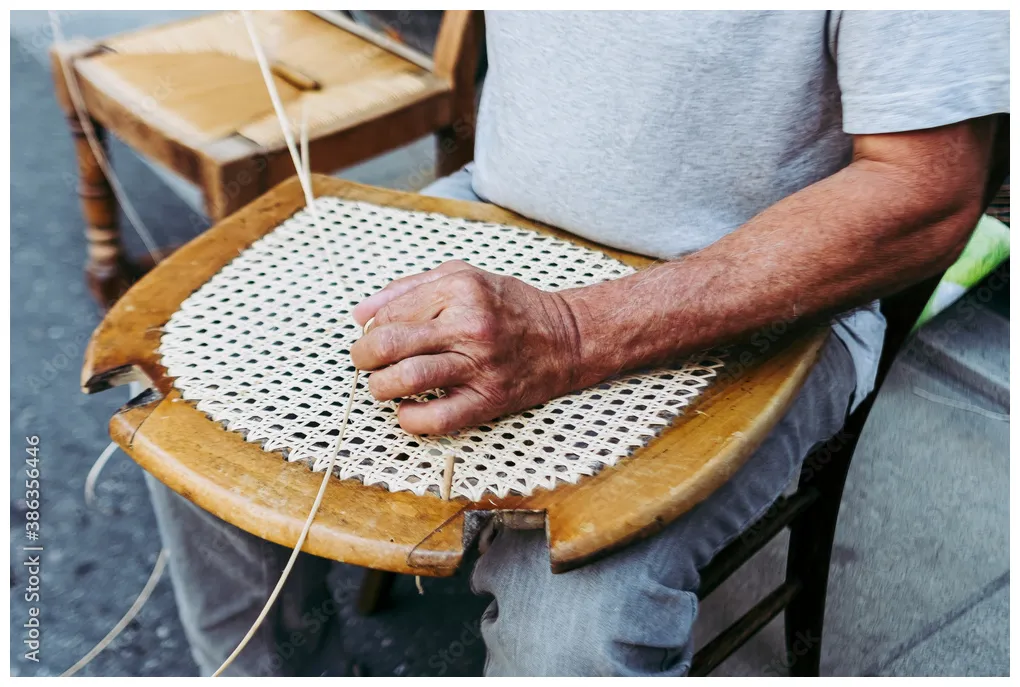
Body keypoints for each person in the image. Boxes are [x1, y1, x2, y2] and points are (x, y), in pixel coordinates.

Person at [146, 10, 1008, 676]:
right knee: (196, 410)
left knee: (575, 624)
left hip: (754, 295)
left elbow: (924, 194)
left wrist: (569, 331)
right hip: (486, 210)